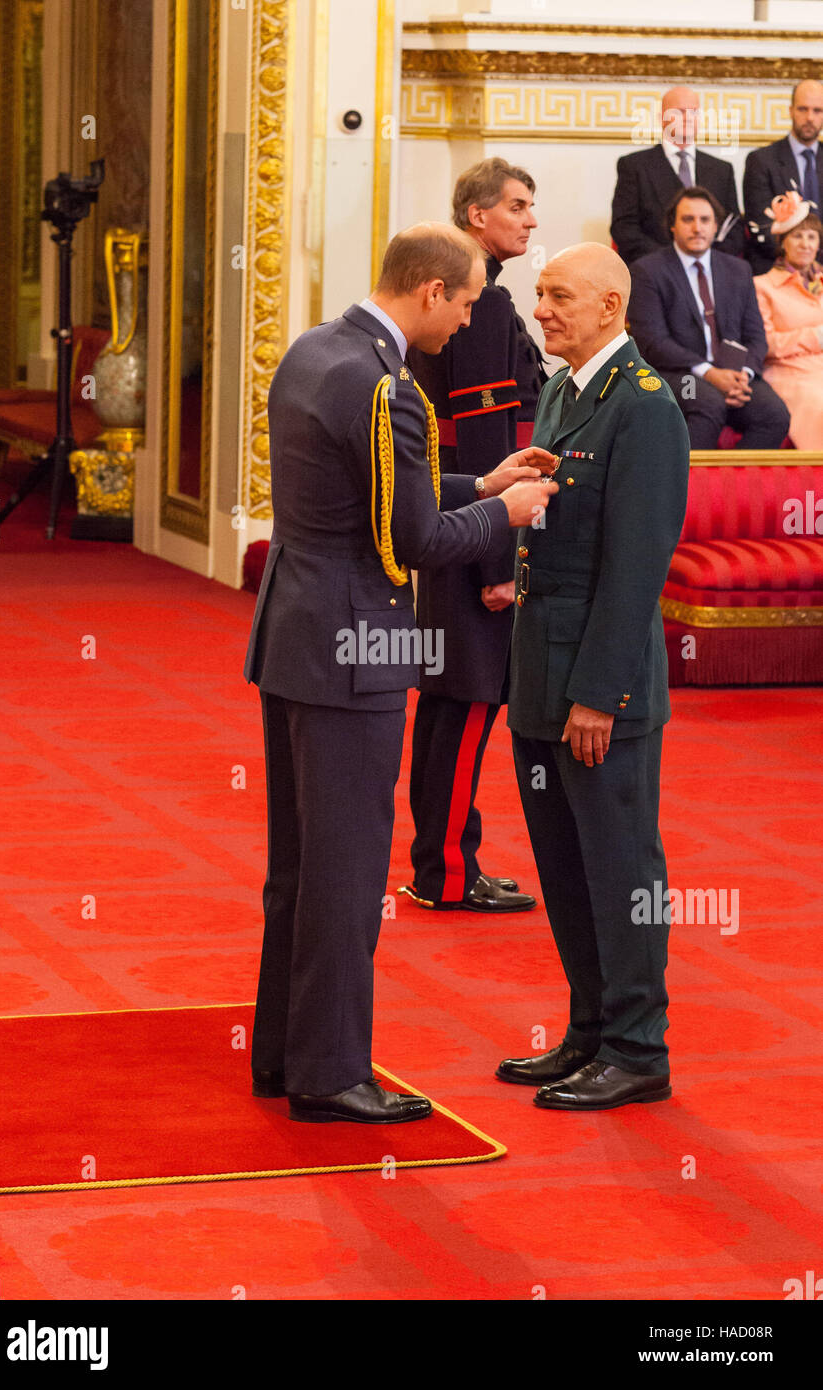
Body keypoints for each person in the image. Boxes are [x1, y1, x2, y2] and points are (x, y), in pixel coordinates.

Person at [243, 223, 558, 1125]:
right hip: (357, 652)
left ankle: (285, 1054)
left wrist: (483, 482)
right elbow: (412, 540)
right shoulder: (388, 390)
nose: (466, 322)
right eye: (462, 303)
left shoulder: (314, 351)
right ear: (428, 291)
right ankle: (331, 1075)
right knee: (343, 873)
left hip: (296, 635)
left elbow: (377, 497)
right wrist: (514, 515)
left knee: (298, 867)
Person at [496, 242, 690, 1111]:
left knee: (620, 868)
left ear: (610, 307)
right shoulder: (562, 388)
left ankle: (638, 1047)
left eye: (559, 296)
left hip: (595, 686)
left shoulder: (644, 408)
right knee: (564, 865)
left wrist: (596, 694)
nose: (542, 309)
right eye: (538, 295)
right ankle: (589, 1031)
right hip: (540, 666)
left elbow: (636, 566)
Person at [399, 157, 546, 916]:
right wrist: (500, 560)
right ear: (477, 215)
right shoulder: (478, 299)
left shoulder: (464, 288)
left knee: (448, 701)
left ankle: (439, 863)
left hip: (448, 511)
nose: (529, 220)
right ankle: (447, 875)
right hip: (478, 526)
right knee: (467, 703)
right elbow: (490, 435)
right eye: (517, 206)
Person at [628, 186, 790, 449]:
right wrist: (710, 373)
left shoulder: (738, 269)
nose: (697, 228)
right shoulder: (647, 271)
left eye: (705, 220)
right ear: (672, 225)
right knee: (708, 403)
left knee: (774, 415)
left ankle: (734, 487)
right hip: (678, 374)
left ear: (716, 226)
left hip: (733, 374)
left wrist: (744, 375)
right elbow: (653, 343)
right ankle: (684, 488)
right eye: (688, 219)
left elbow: (756, 336)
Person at [610, 85, 744, 265]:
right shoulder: (634, 166)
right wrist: (672, 262)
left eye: (694, 112)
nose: (687, 118)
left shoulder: (722, 170)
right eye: (680, 112)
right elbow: (624, 229)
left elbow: (733, 228)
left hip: (711, 270)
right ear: (661, 118)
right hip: (654, 269)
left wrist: (707, 261)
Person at [753, 192, 823, 449]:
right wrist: (815, 337)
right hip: (789, 373)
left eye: (811, 236)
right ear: (783, 242)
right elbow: (766, 345)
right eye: (797, 235)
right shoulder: (762, 286)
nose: (805, 244)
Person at [744, 79, 823, 275]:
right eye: (803, 109)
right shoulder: (761, 161)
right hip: (776, 269)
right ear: (790, 111)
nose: (810, 117)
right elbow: (761, 226)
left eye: (817, 111)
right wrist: (800, 263)